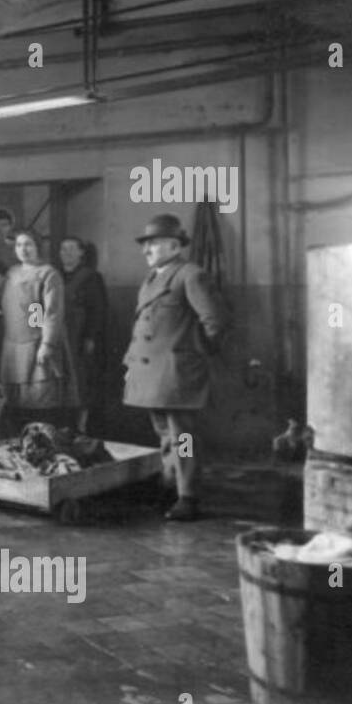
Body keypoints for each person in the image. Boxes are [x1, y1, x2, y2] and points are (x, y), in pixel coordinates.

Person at [122, 214, 227, 522]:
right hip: (151, 372)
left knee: (183, 437)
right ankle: (171, 487)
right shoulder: (153, 279)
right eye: (146, 244)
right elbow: (140, 327)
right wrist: (130, 363)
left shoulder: (190, 275)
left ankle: (188, 496)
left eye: (153, 244)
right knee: (166, 434)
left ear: (173, 244)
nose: (147, 250)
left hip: (177, 371)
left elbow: (216, 321)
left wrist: (193, 354)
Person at [0, 228, 79, 431]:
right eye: (18, 245)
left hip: (36, 344)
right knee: (14, 403)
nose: (23, 249)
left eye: (28, 244)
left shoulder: (48, 273)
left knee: (40, 400)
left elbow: (48, 311)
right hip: (12, 346)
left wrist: (46, 343)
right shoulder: (12, 273)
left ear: (37, 247)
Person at [58, 236, 109, 435]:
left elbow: (98, 310)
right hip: (58, 338)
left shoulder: (91, 277)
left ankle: (82, 427)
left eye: (71, 249)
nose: (66, 253)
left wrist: (90, 337)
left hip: (79, 338)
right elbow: (38, 306)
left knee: (81, 382)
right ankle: (65, 427)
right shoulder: (53, 275)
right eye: (63, 249)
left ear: (81, 253)